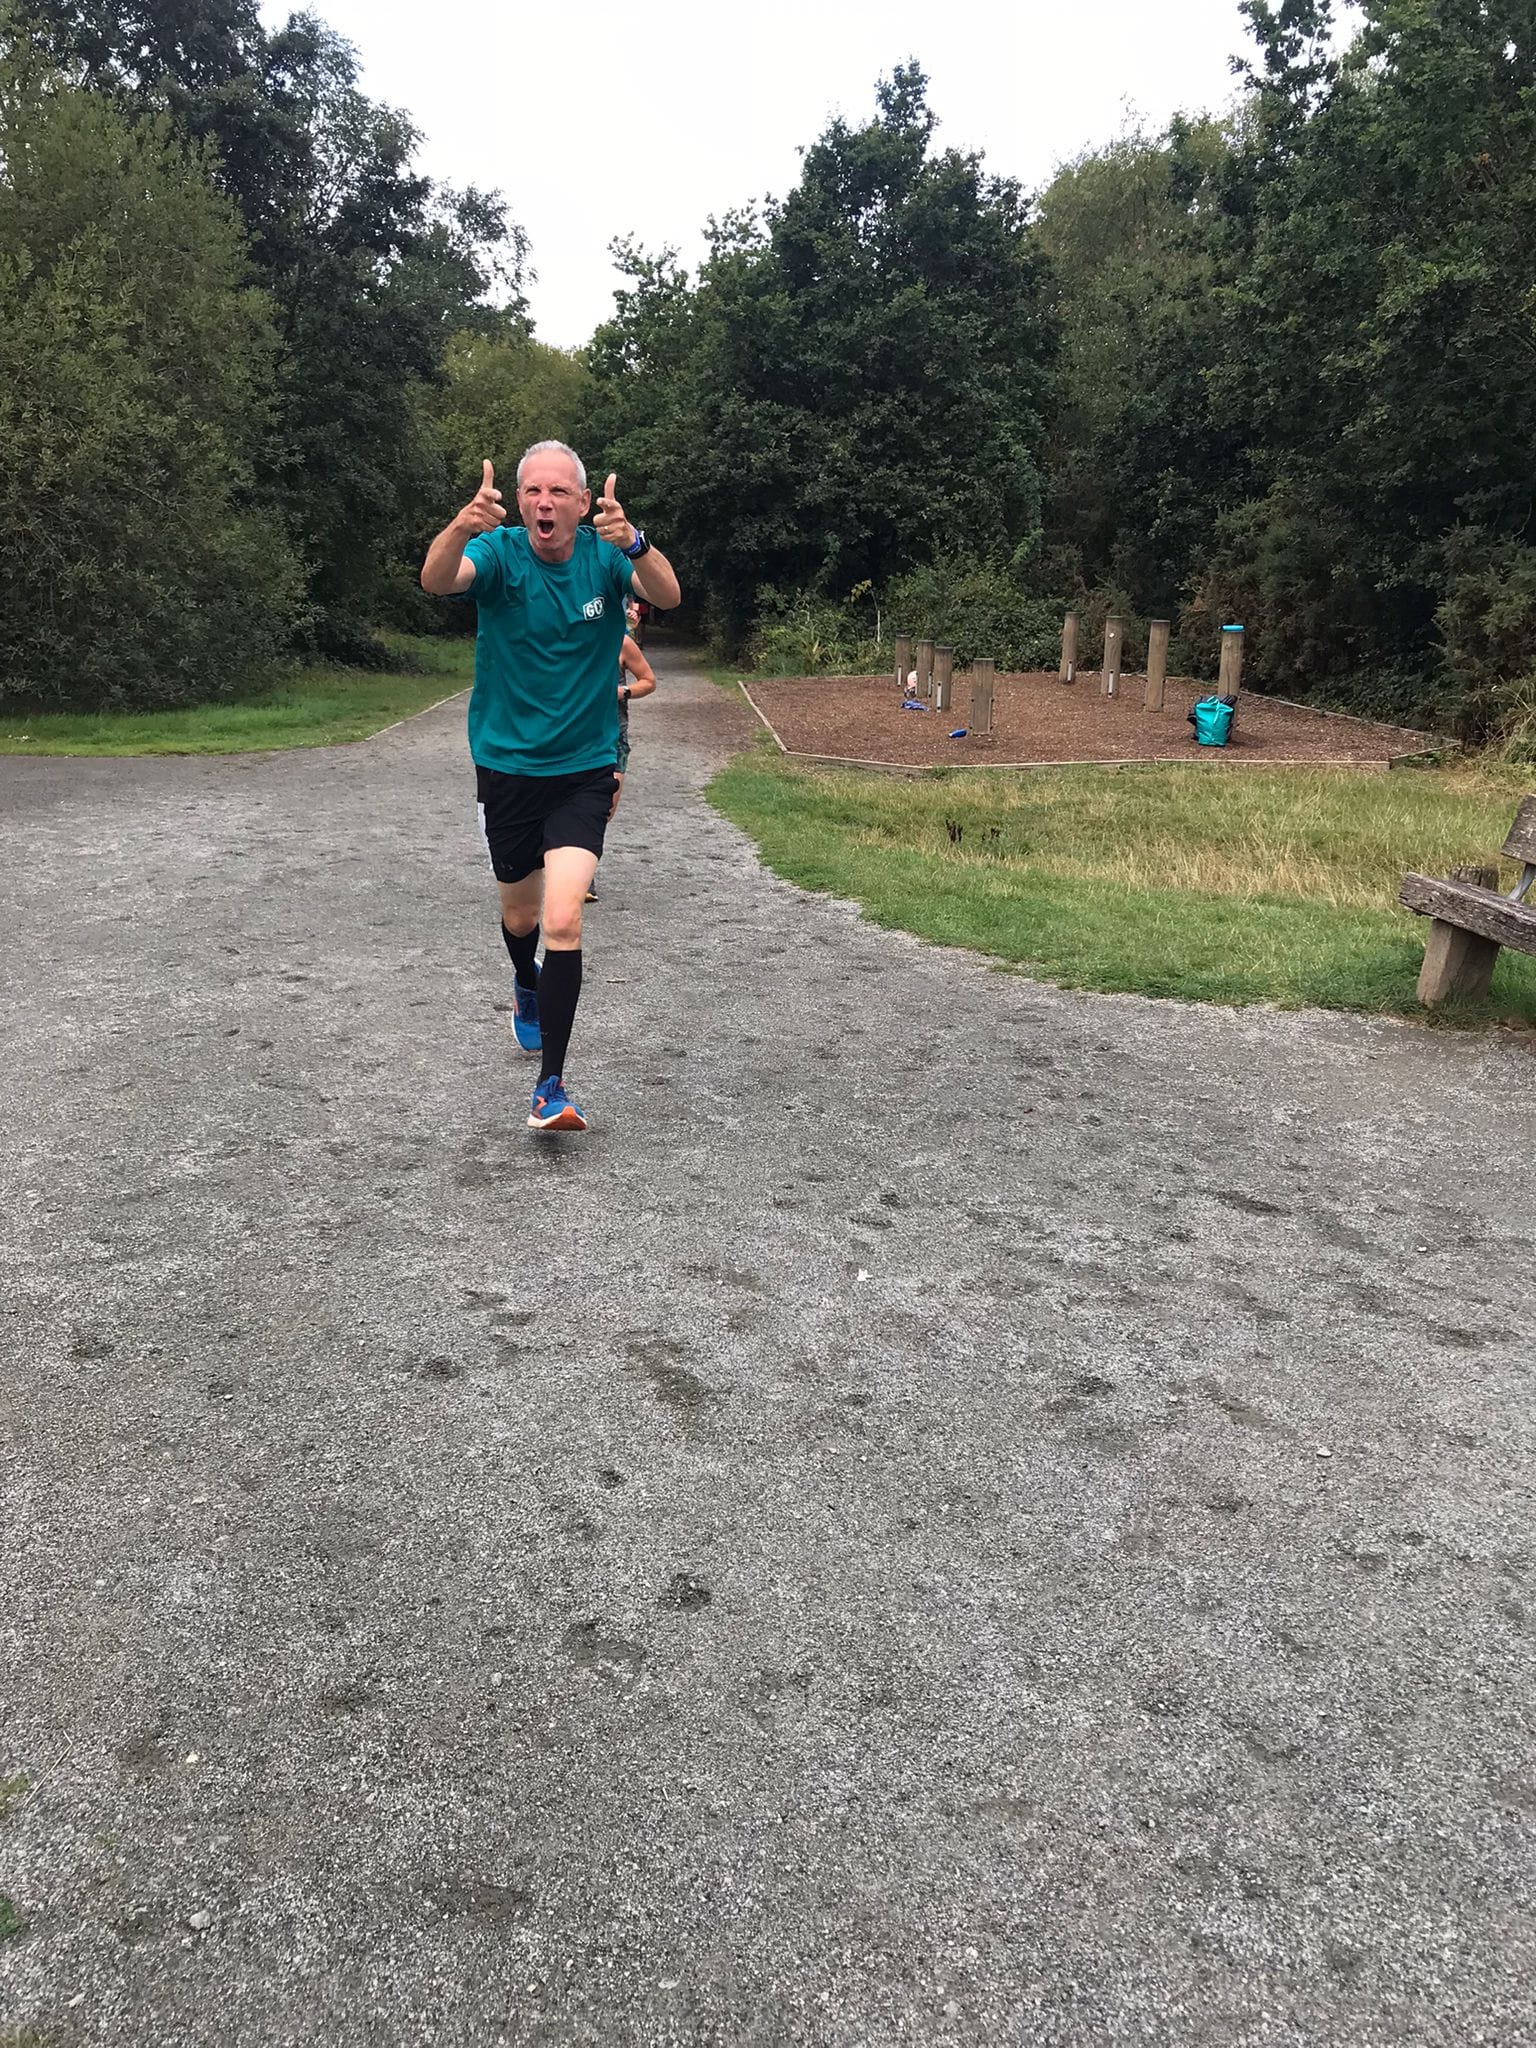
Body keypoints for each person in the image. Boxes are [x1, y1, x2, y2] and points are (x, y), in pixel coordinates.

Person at [419, 442, 681, 1132]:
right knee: (521, 919)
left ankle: (551, 1087)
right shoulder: (500, 555)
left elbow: (669, 594)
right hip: (506, 766)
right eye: (533, 490)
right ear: (520, 499)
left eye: (559, 492)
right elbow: (438, 581)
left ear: (581, 502)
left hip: (584, 769)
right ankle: (525, 987)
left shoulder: (605, 558)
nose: (544, 502)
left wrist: (638, 543)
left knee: (564, 918)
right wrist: (460, 527)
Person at [585, 602, 656, 903]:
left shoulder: (622, 643)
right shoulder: (570, 637)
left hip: (614, 735)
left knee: (605, 808)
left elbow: (649, 682)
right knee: (570, 805)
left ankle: (579, 866)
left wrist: (622, 692)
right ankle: (582, 877)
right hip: (576, 735)